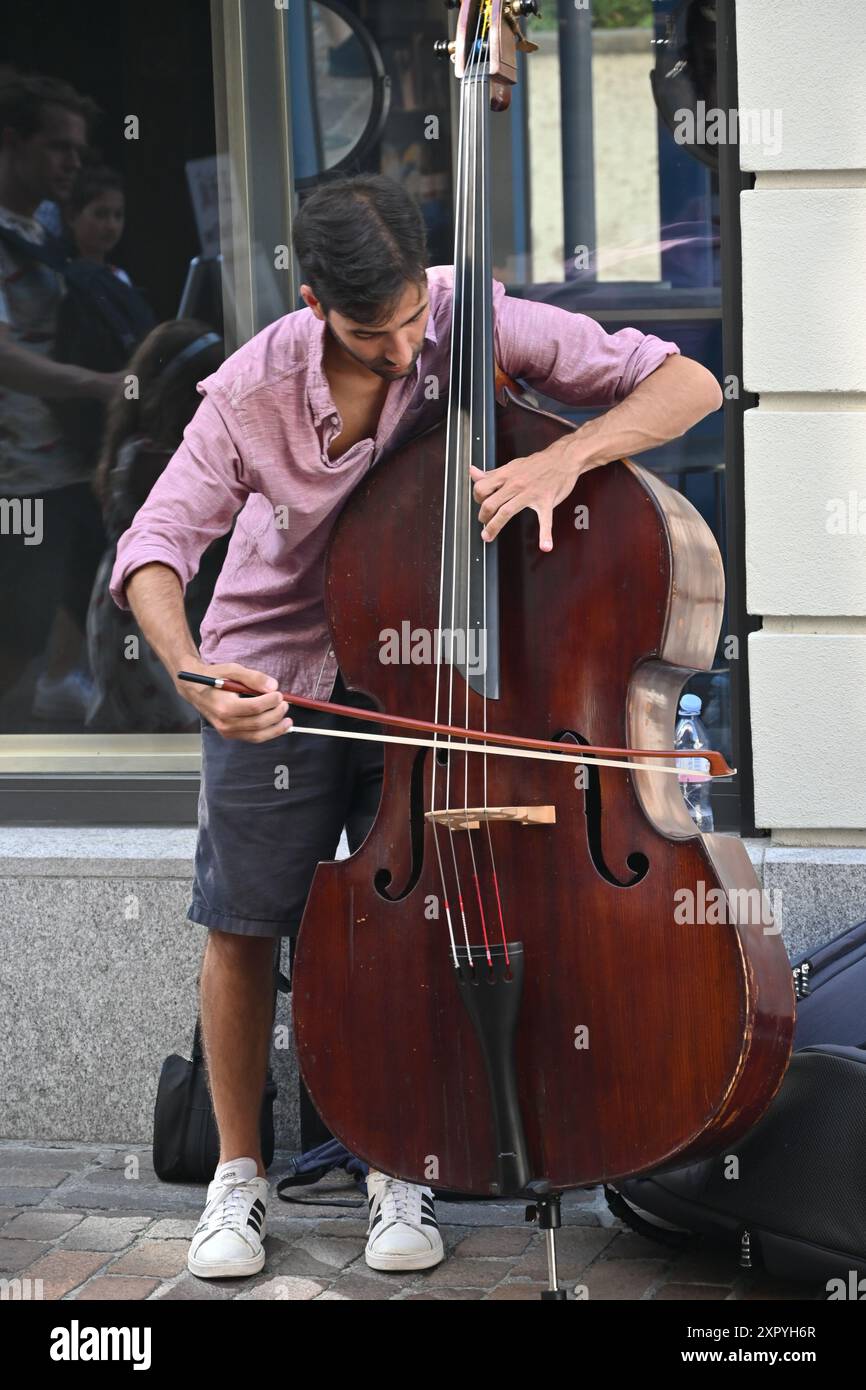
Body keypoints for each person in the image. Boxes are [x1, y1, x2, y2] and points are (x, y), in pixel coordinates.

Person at [108, 173, 723, 1281]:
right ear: (308, 302)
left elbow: (688, 383)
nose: (401, 353)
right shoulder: (250, 388)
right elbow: (153, 549)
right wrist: (195, 672)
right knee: (245, 921)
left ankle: (402, 1158)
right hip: (282, 677)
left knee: (428, 909)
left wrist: (562, 456)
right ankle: (237, 1176)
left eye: (407, 322)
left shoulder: (466, 315)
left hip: (432, 683)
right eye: (366, 332)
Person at [0, 71, 124, 715]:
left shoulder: (45, 224)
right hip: (18, 476)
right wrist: (99, 385)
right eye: (57, 147)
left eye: (79, 149)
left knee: (80, 609)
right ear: (11, 142)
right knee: (19, 639)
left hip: (70, 463)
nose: (73, 162)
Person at [86, 318, 226, 732]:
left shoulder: (136, 442)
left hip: (131, 604)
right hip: (146, 607)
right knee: (172, 715)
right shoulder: (155, 458)